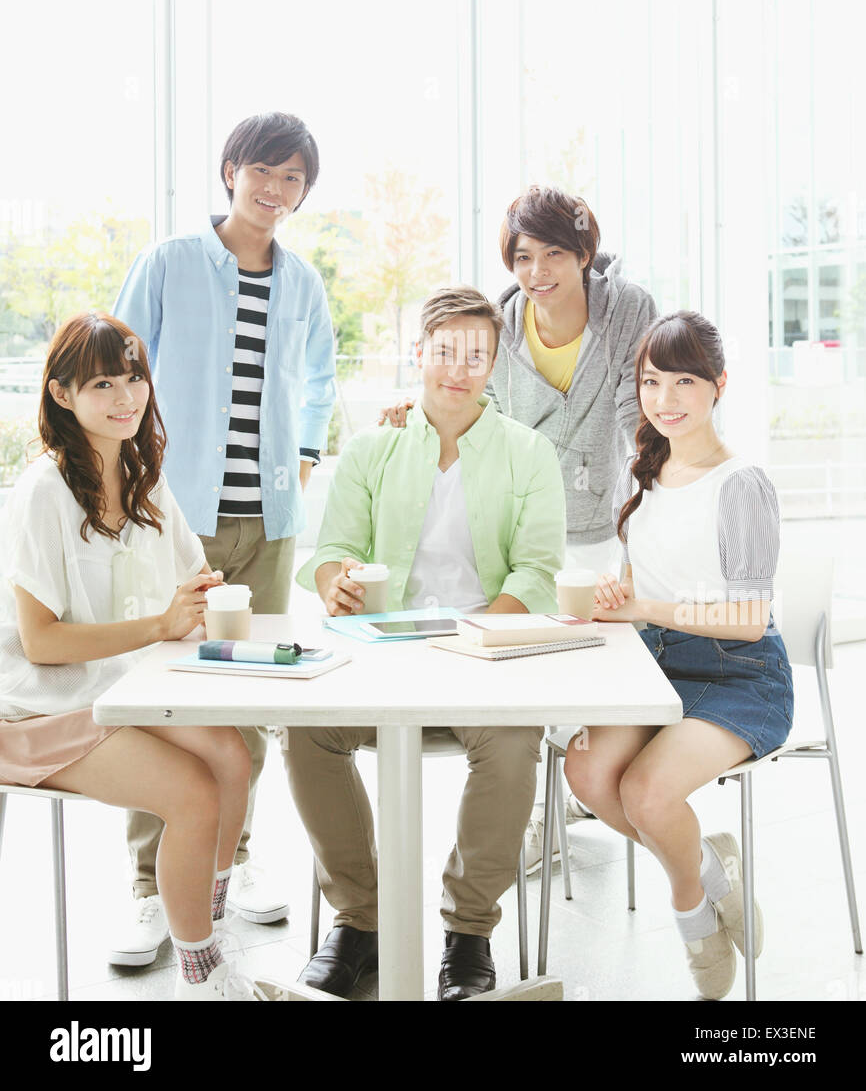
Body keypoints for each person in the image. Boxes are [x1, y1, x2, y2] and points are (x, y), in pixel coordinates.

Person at [284, 286, 566, 1001]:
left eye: (477, 356)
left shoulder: (529, 452)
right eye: (445, 352)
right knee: (307, 732)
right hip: (383, 654)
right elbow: (331, 551)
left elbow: (538, 570)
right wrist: (337, 582)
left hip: (484, 648)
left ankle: (469, 930)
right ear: (420, 354)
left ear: (495, 364)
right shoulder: (373, 449)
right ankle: (360, 921)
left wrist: (478, 638)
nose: (459, 369)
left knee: (509, 745)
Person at [0, 313, 290, 1000]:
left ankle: (206, 933)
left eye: (133, 377)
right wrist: (160, 625)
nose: (126, 396)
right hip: (37, 711)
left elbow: (191, 577)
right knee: (193, 794)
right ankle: (200, 971)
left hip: (115, 686)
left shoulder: (142, 478)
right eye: (103, 382)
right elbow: (41, 642)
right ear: (63, 395)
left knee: (230, 754)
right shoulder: (43, 490)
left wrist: (196, 602)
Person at [112, 110, 336, 963]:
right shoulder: (170, 262)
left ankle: (232, 862)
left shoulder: (302, 281)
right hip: (176, 521)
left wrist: (306, 454)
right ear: (231, 169)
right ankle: (147, 883)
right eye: (263, 172)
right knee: (162, 698)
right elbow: (122, 365)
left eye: (292, 180)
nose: (274, 192)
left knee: (248, 698)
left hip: (268, 524)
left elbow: (319, 374)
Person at [380, 185, 658, 864]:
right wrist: (417, 416)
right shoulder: (501, 325)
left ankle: (577, 795)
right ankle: (541, 811)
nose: (537, 273)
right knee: (527, 665)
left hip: (603, 520)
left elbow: (637, 410)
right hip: (524, 516)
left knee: (590, 673)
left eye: (554, 253)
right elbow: (487, 421)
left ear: (586, 252)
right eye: (522, 256)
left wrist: (647, 507)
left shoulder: (629, 309)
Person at [565, 310, 793, 1000]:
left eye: (684, 381)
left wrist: (646, 609)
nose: (664, 399)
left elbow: (749, 622)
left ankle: (694, 919)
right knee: (587, 773)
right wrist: (620, 596)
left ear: (719, 385)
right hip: (653, 665)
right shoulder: (650, 474)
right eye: (650, 381)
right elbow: (650, 584)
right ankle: (712, 871)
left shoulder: (741, 485)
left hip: (738, 672)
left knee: (646, 791)